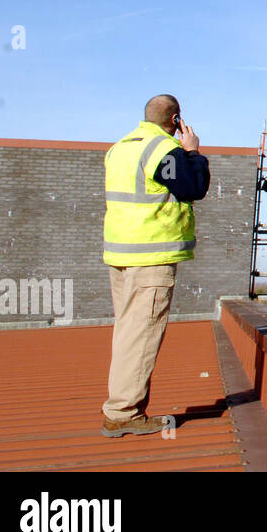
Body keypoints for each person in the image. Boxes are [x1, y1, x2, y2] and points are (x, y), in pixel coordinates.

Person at [100, 94, 211, 438]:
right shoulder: (162, 150)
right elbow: (194, 187)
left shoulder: (120, 147)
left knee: (127, 333)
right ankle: (123, 413)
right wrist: (192, 151)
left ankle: (122, 407)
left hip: (121, 256)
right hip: (150, 259)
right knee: (142, 335)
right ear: (177, 119)